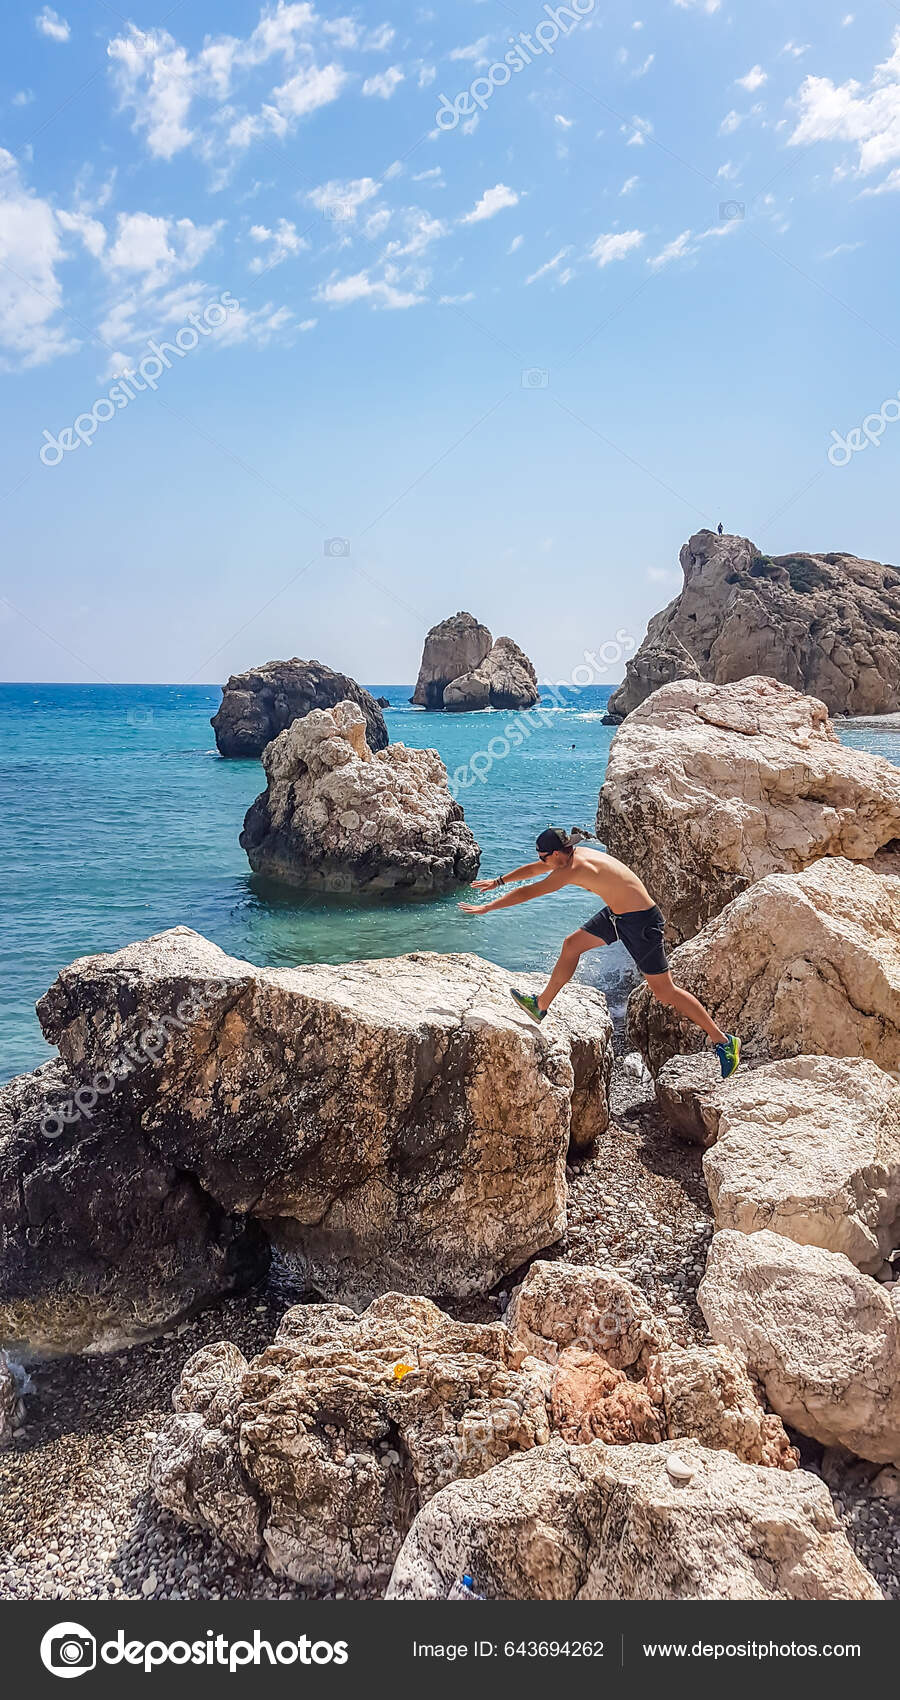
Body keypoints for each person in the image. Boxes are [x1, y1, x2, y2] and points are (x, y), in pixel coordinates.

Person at [458, 826, 740, 1078]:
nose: (542, 861)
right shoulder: (570, 856)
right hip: (619, 915)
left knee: (665, 992)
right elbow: (535, 869)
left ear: (556, 853)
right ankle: (540, 1005)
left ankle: (724, 1042)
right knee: (572, 945)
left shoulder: (574, 870)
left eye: (544, 856)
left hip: (641, 923)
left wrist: (487, 908)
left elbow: (529, 892)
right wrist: (498, 882)